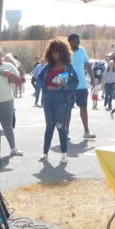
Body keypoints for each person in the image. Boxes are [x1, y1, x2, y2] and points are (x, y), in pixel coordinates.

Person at [40, 36, 77, 166]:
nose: (55, 53)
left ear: (63, 52)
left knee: (61, 126)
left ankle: (64, 155)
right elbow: (39, 80)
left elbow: (75, 83)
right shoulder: (48, 67)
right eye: (53, 51)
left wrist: (64, 86)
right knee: (49, 126)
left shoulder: (68, 67)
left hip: (62, 100)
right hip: (48, 99)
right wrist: (46, 87)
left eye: (57, 51)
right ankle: (45, 154)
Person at [65, 34, 95, 139]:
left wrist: (92, 78)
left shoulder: (82, 50)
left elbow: (87, 64)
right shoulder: (65, 52)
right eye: (75, 41)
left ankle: (86, 131)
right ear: (69, 42)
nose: (78, 43)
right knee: (68, 110)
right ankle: (66, 132)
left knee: (84, 108)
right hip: (69, 87)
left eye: (79, 41)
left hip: (82, 86)